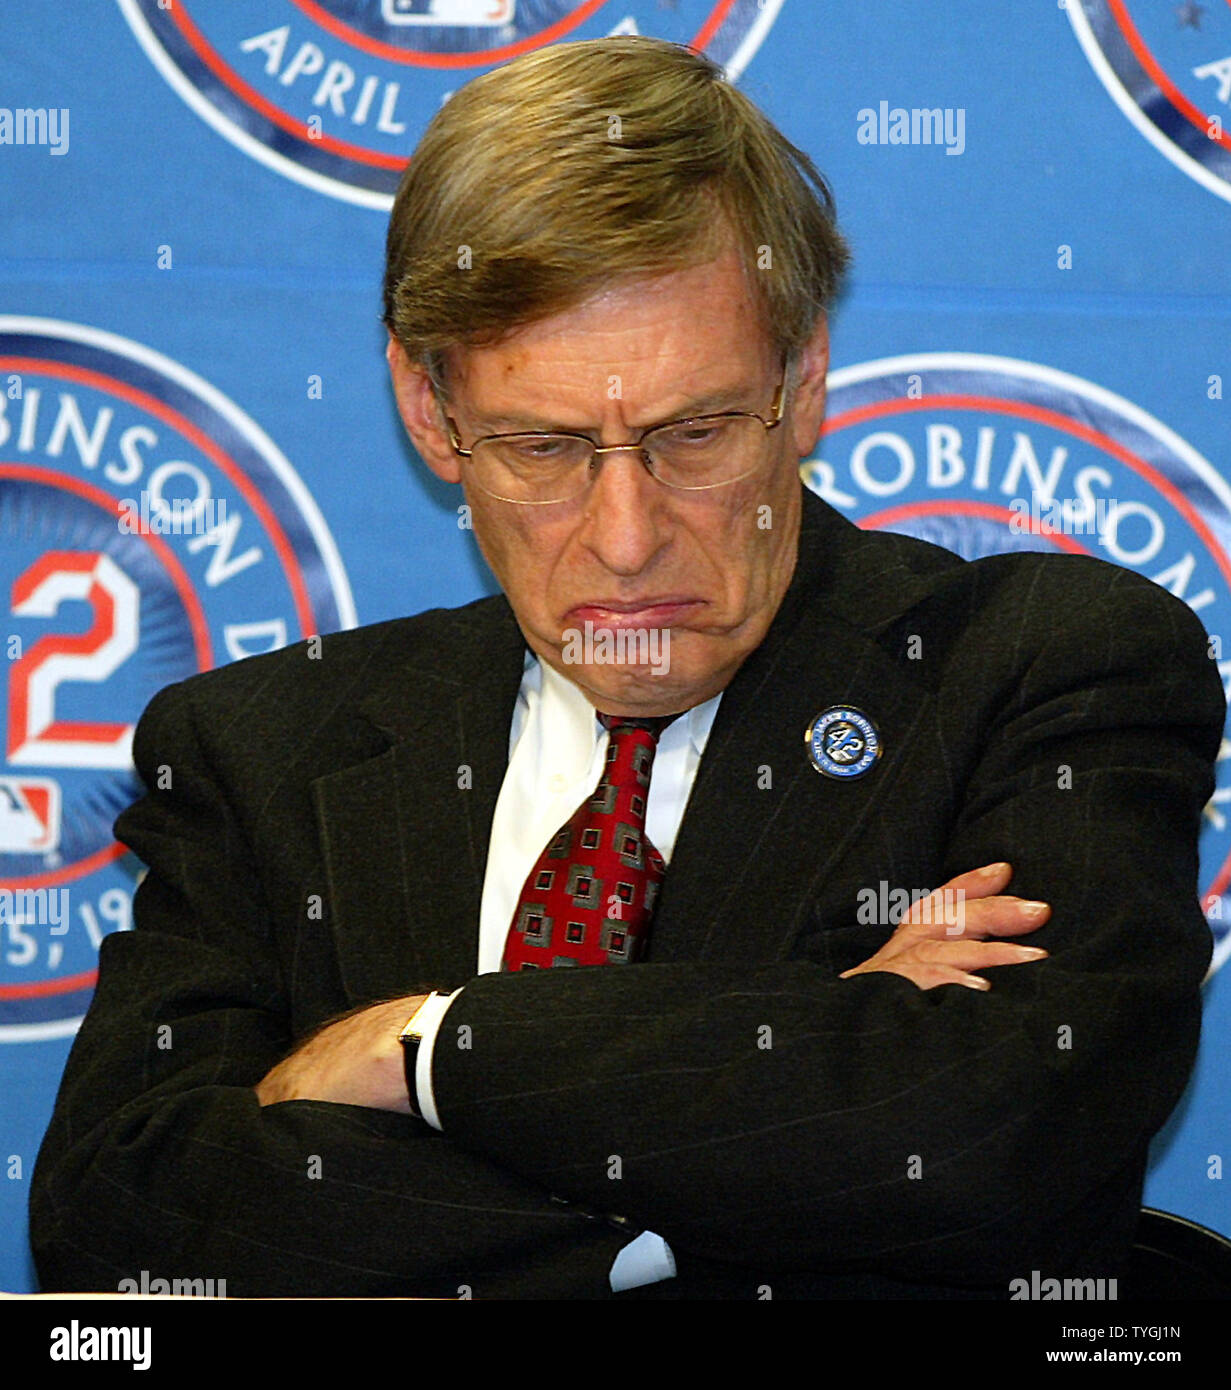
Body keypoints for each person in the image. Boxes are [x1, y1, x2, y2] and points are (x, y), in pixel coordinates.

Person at [29, 35, 1223, 1301]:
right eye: (541, 446)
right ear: (430, 414)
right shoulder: (261, 748)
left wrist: (423, 1048)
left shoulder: (1040, 668)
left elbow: (987, 1144)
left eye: (693, 432)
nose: (624, 536)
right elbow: (123, 1220)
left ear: (804, 380)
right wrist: (781, 1075)